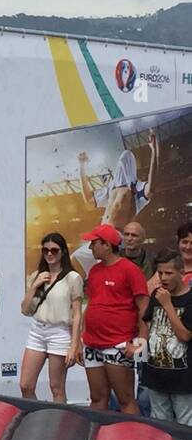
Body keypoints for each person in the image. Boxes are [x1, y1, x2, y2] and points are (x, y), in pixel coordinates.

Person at [79, 224, 150, 415]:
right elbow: (92, 304)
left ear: (107, 245)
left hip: (118, 343)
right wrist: (81, 339)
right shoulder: (94, 271)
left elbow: (145, 309)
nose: (90, 248)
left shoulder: (130, 270)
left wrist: (140, 343)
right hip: (92, 343)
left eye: (94, 243)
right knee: (97, 398)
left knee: (125, 399)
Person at [71, 135, 157, 274]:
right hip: (99, 236)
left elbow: (151, 187)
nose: (123, 162)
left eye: (128, 160)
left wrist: (154, 151)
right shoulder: (110, 188)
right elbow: (88, 198)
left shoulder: (136, 188)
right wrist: (81, 166)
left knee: (110, 276)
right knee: (73, 262)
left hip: (115, 238)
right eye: (121, 160)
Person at [19, 231, 84, 402]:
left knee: (57, 387)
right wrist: (35, 285)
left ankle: (59, 424)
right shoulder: (36, 276)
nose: (49, 254)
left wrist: (74, 345)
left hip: (60, 332)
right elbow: (25, 310)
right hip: (37, 330)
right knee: (25, 385)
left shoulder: (73, 278)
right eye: (46, 250)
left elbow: (77, 314)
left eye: (54, 250)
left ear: (62, 252)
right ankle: (33, 418)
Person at [141, 250, 192, 425]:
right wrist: (139, 350)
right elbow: (148, 325)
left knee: (185, 425)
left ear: (182, 273)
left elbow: (185, 335)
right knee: (160, 425)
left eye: (169, 273)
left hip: (183, 378)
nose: (163, 278)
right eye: (160, 273)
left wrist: (168, 305)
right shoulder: (157, 294)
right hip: (156, 373)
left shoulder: (188, 299)